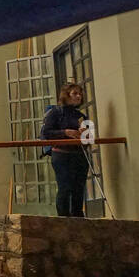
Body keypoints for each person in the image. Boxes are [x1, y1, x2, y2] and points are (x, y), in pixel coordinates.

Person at [40, 81, 91, 218]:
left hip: (79, 155)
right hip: (62, 155)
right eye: (75, 93)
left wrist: (85, 133)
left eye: (80, 94)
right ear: (66, 95)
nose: (78, 96)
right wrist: (65, 132)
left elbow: (89, 141)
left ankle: (78, 215)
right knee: (65, 187)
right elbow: (47, 132)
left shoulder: (82, 116)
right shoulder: (55, 112)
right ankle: (63, 217)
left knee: (78, 188)